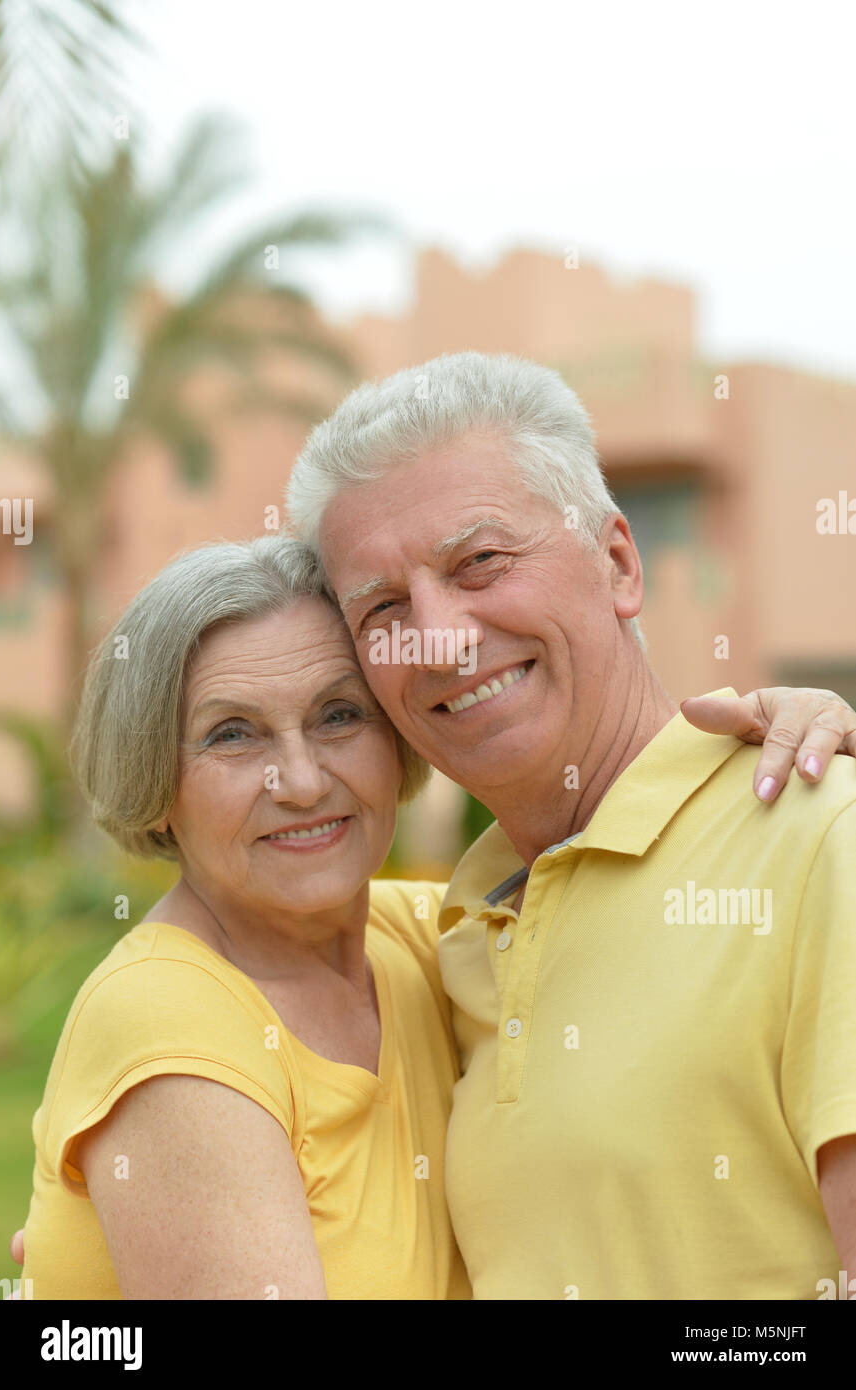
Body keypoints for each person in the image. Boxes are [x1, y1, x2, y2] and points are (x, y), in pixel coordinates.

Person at [286, 348, 856, 1299]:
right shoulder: (441, 936)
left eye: (480, 562)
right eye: (383, 608)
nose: (440, 638)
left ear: (617, 563)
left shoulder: (819, 844)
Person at [19, 534, 470, 1300]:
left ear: (398, 738)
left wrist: (730, 761)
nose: (299, 781)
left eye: (338, 715)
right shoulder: (163, 1016)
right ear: (155, 783)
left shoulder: (436, 935)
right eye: (232, 734)